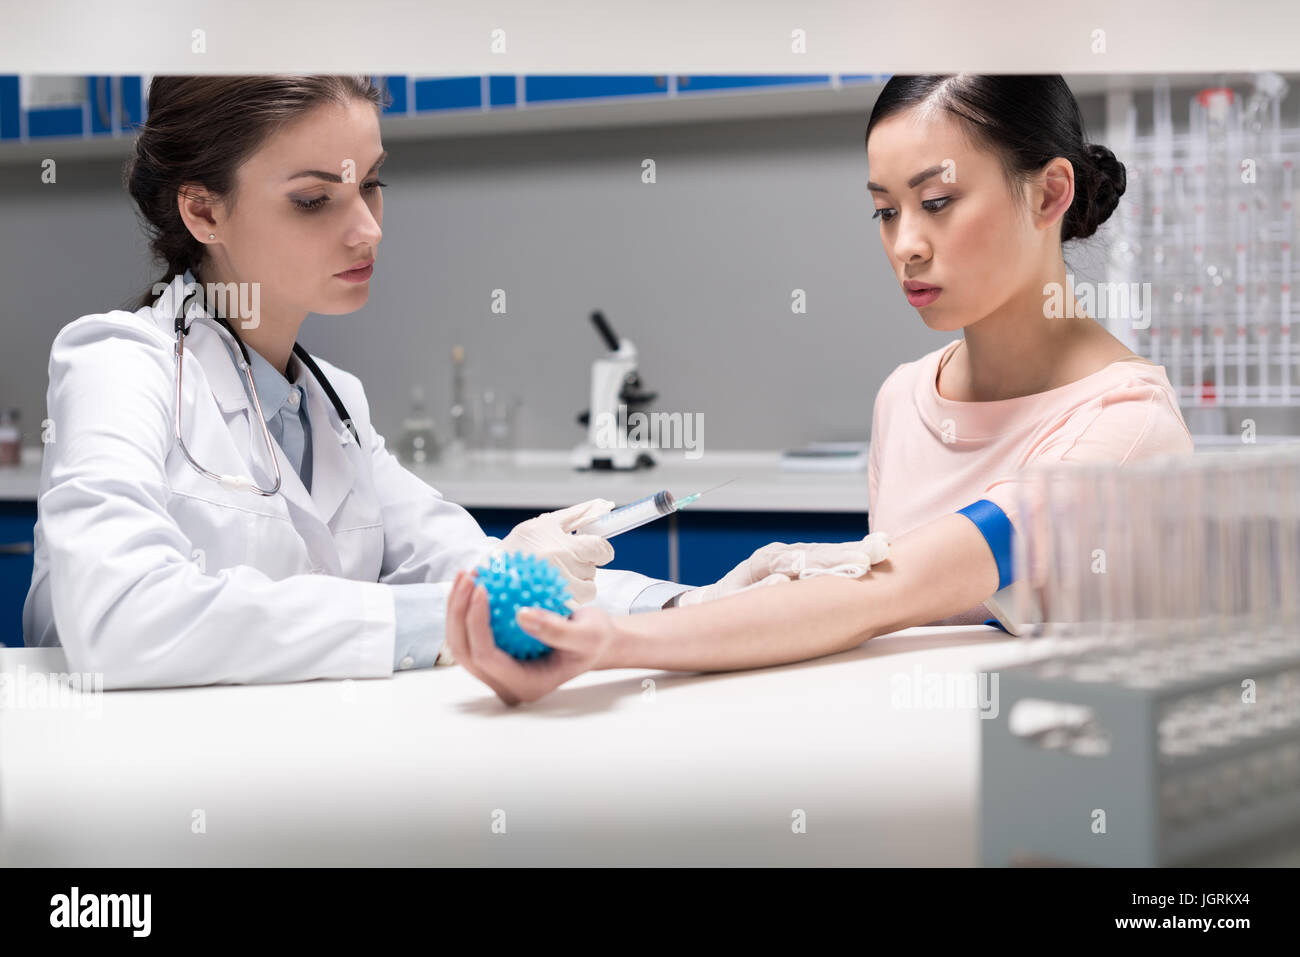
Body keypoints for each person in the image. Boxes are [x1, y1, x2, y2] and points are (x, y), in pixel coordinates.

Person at [23, 75, 861, 689]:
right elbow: (122, 617)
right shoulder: (117, 363)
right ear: (202, 212)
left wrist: (698, 609)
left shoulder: (332, 405)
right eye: (315, 200)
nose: (368, 226)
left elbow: (469, 561)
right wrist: (473, 612)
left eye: (373, 182)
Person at [445, 73, 1196, 705]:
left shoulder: (1125, 426)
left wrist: (609, 641)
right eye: (884, 209)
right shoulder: (904, 399)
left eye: (936, 202)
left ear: (1049, 192)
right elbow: (883, 624)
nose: (905, 243)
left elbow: (887, 594)